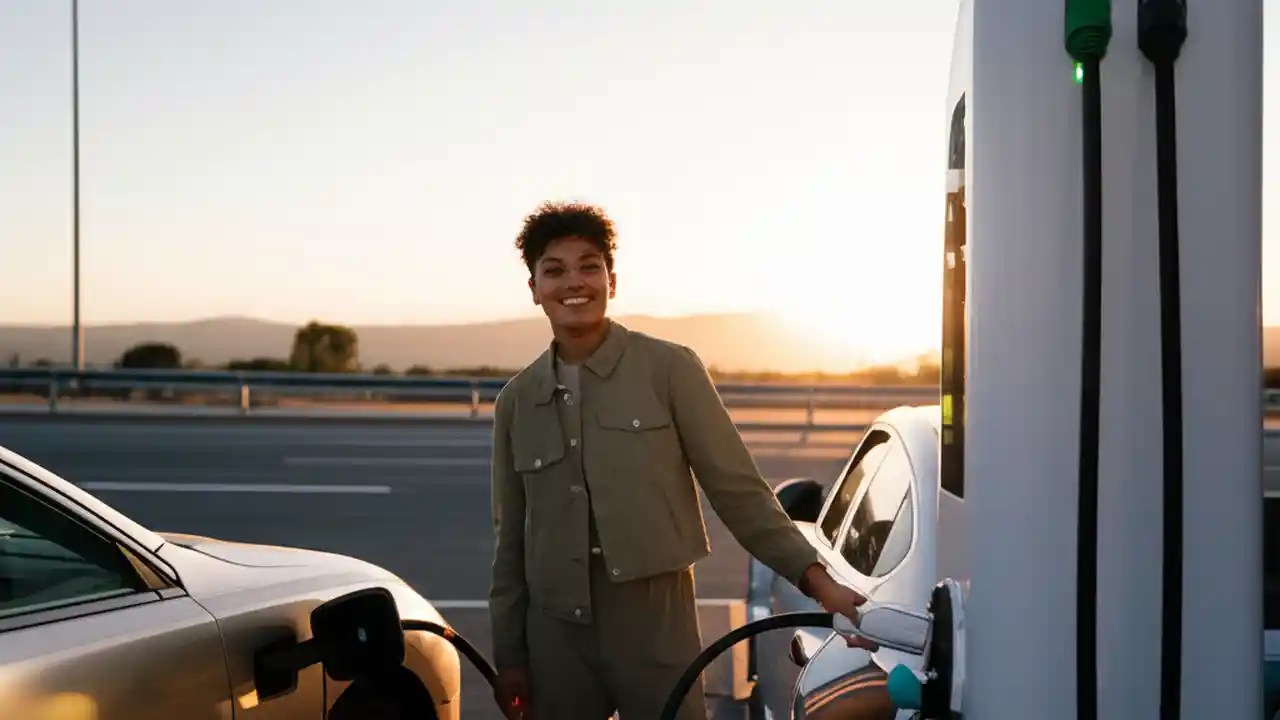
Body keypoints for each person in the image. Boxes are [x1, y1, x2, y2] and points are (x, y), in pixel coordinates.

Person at [488, 201, 869, 720]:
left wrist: (819, 583)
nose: (573, 282)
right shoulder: (516, 400)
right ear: (533, 288)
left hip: (655, 625)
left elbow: (739, 492)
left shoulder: (670, 370)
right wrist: (511, 658)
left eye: (589, 266)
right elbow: (510, 540)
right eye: (553, 270)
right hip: (555, 637)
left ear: (611, 280)